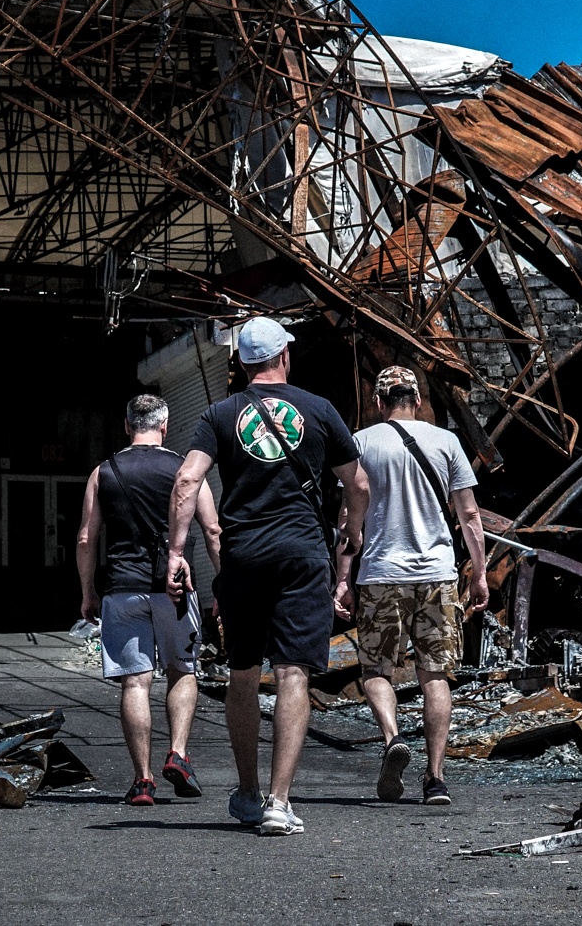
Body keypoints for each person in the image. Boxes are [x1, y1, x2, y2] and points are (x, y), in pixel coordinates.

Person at [168, 316, 364, 837]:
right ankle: (280, 802)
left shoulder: (219, 413)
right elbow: (357, 482)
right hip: (302, 555)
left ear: (241, 364)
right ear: (284, 357)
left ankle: (250, 792)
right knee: (294, 672)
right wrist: (353, 531)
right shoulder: (319, 409)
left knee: (243, 674)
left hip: (243, 557)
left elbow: (188, 478)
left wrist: (175, 552)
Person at [335, 366, 488, 806]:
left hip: (381, 573)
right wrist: (478, 575)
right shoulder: (447, 442)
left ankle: (392, 738)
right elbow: (470, 516)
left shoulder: (362, 443)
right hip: (437, 574)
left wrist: (342, 579)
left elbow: (348, 521)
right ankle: (435, 779)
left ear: (380, 403)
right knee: (434, 676)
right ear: (418, 400)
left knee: (375, 671)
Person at [77, 393, 224, 806]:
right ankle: (177, 752)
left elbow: (87, 537)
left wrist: (88, 590)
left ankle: (142, 781)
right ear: (164, 425)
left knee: (135, 681)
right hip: (174, 589)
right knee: (182, 670)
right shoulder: (185, 470)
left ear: (127, 426)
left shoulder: (103, 472)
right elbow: (213, 531)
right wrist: (224, 589)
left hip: (122, 589)